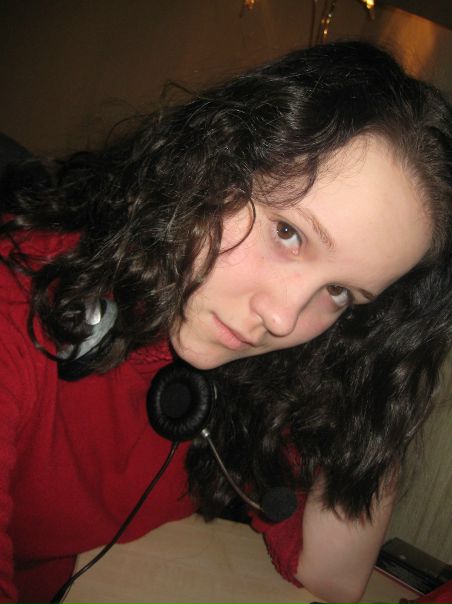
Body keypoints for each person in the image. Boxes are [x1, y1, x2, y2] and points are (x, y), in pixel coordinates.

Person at [0, 40, 451, 604]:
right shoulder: (16, 305)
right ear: (213, 164)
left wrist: (375, 380)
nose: (283, 319)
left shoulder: (250, 373)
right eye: (288, 233)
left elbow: (333, 574)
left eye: (339, 292)